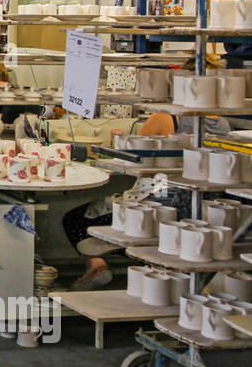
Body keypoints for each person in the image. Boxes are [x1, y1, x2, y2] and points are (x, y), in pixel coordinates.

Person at [63, 111, 187, 290]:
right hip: (185, 209)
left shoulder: (164, 117)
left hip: (152, 203)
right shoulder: (220, 124)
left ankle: (96, 265)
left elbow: (134, 158)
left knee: (74, 219)